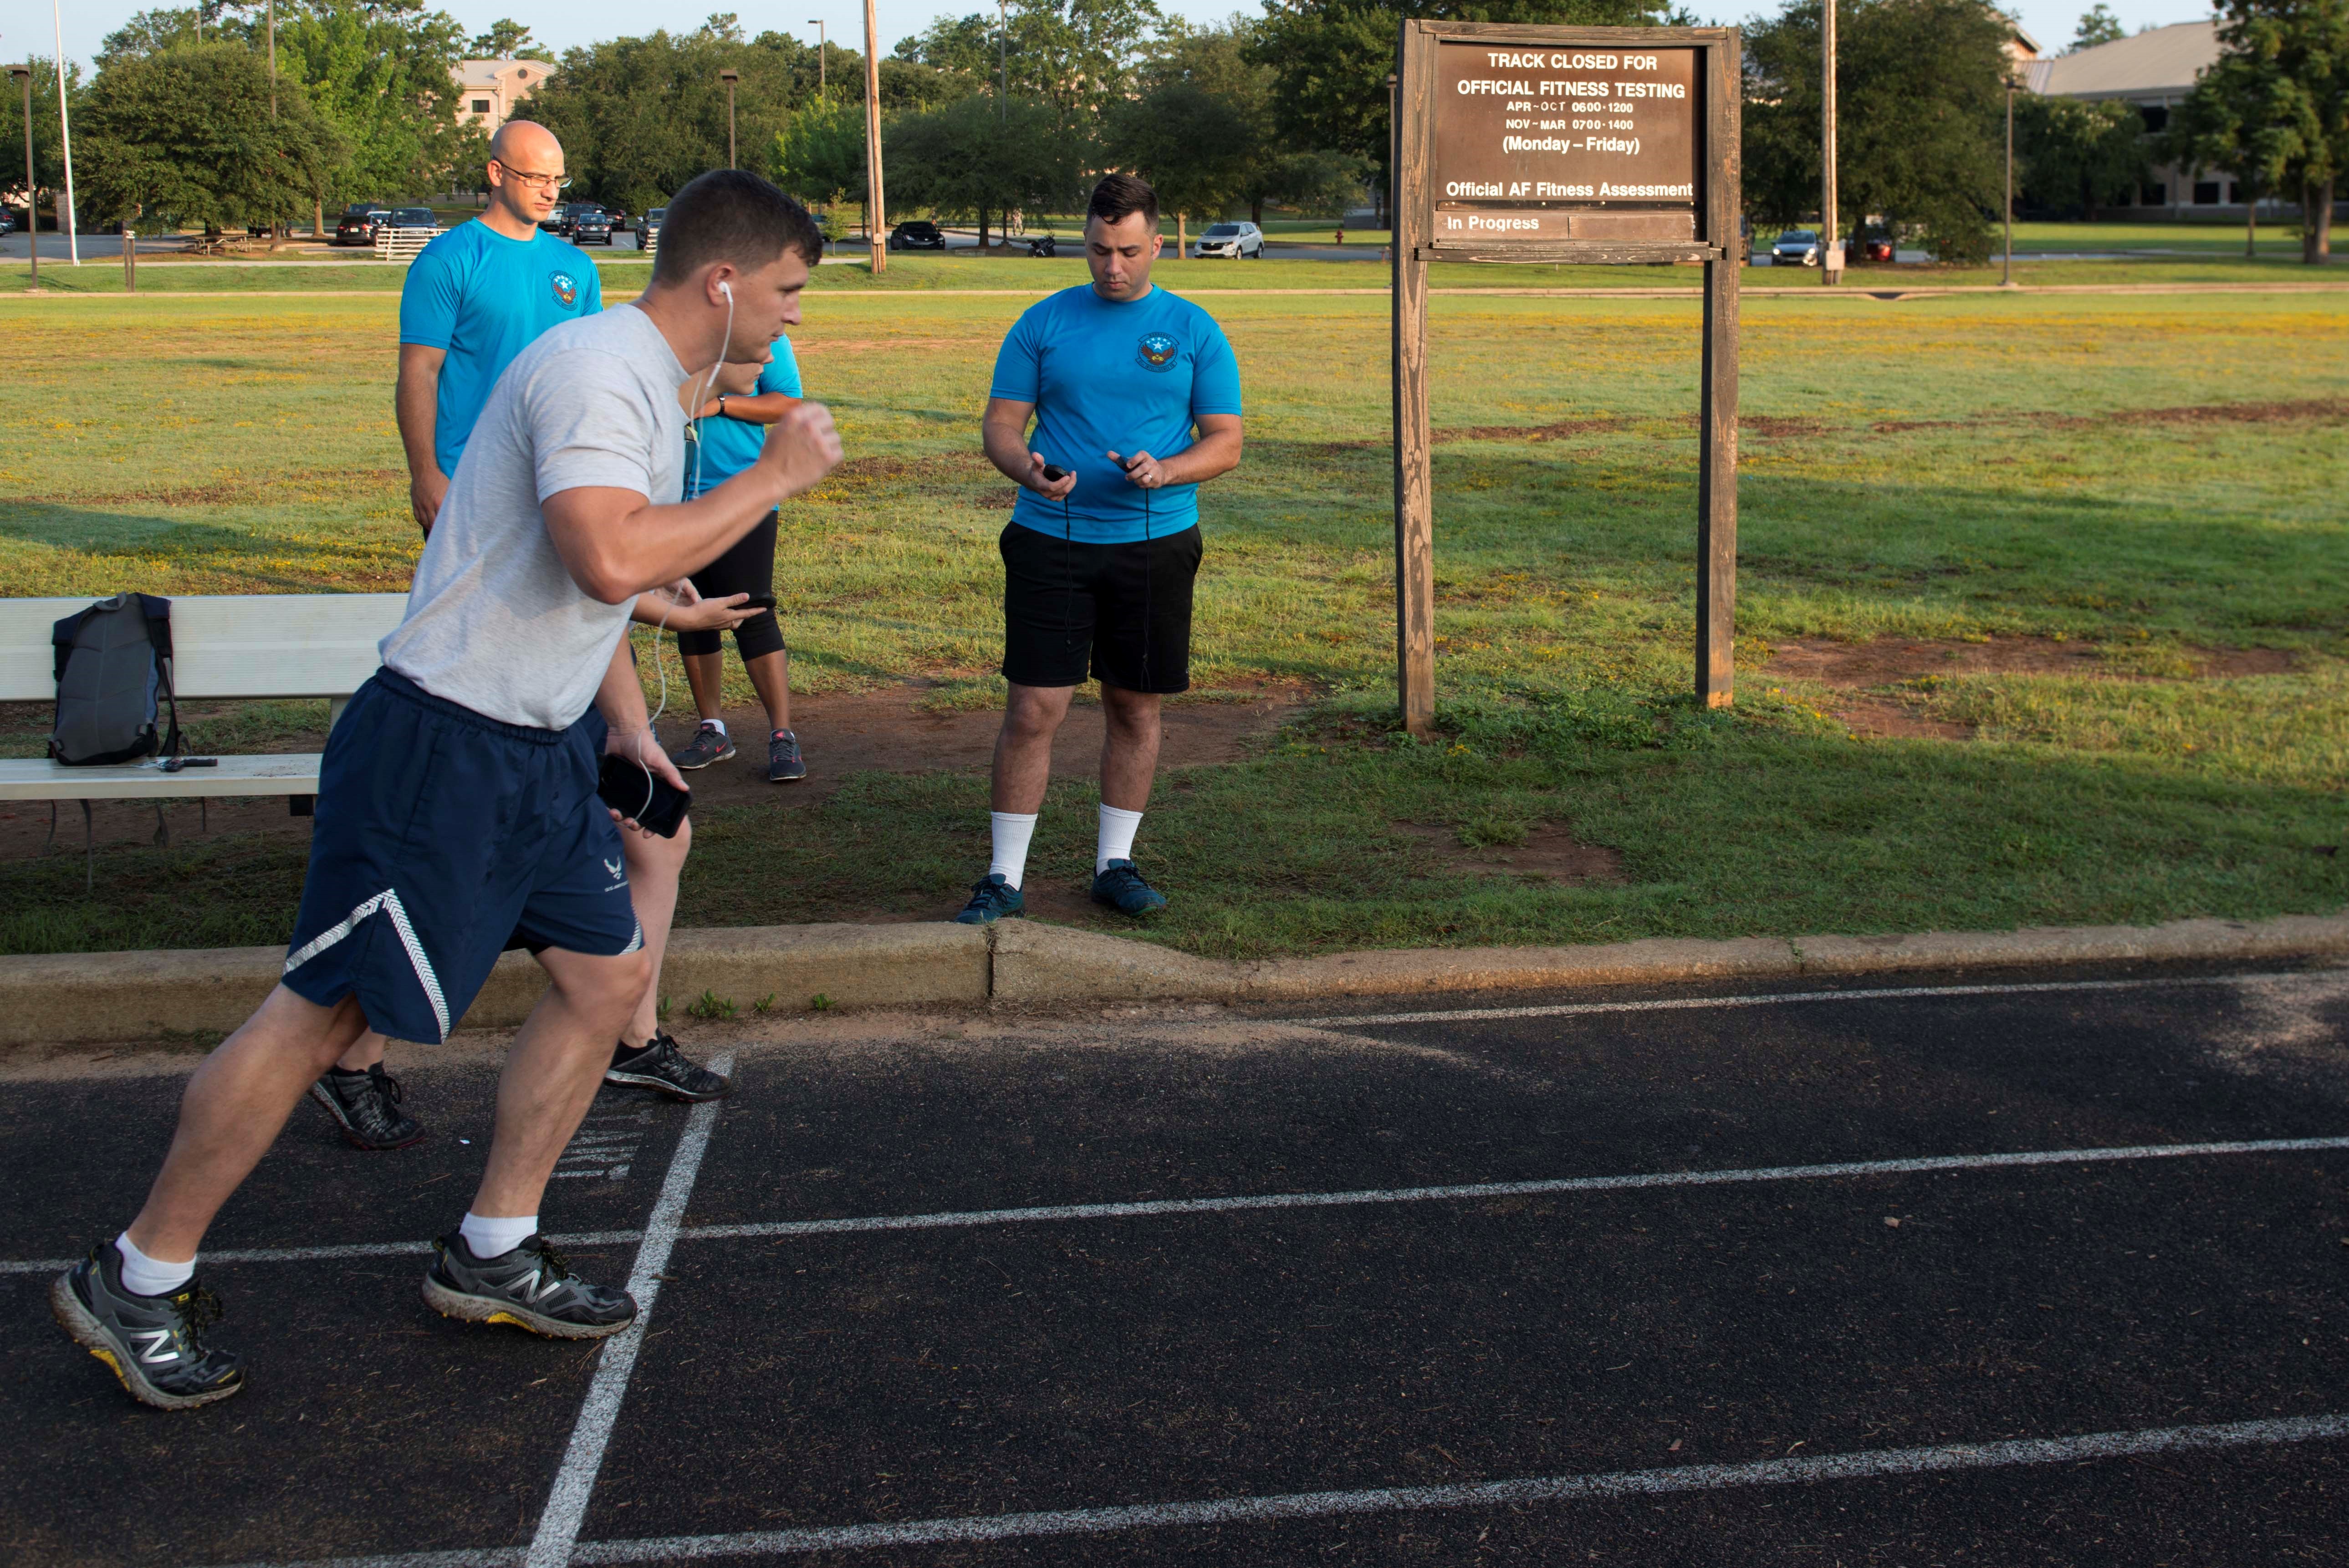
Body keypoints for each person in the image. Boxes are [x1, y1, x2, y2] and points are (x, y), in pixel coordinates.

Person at [51, 170, 841, 1410]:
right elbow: (599, 549)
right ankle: (137, 1273)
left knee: (608, 975)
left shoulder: (643, 378)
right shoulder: (598, 370)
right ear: (724, 280)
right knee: (321, 1013)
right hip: (443, 747)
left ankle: (491, 1248)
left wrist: (627, 701)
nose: (790, 323)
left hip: (536, 751)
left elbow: (568, 563)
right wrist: (769, 481)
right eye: (787, 294)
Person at [316, 121, 733, 1150]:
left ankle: (626, 1029)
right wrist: (428, 476)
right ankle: (347, 1053)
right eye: (533, 176)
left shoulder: (574, 272)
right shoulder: (449, 259)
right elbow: (419, 374)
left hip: (571, 525)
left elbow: (601, 410)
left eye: (559, 178)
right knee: (450, 844)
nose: (549, 191)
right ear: (494, 174)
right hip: (489, 523)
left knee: (641, 823)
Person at [954, 174, 1244, 925]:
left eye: (1124, 252)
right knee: (1033, 708)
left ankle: (1115, 864)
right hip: (1052, 541)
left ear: (1155, 244)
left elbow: (1226, 441)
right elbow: (1000, 427)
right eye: (1096, 251)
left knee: (1134, 706)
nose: (1110, 267)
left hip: (1155, 546)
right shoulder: (1043, 323)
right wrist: (1028, 468)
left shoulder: (1192, 329)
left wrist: (1167, 468)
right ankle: (1002, 877)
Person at [664, 345, 812, 784]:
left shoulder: (759, 331)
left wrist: (719, 404)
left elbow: (788, 402)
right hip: (677, 497)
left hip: (744, 494)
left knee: (752, 611)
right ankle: (713, 729)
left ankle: (782, 735)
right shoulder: (674, 327)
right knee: (693, 613)